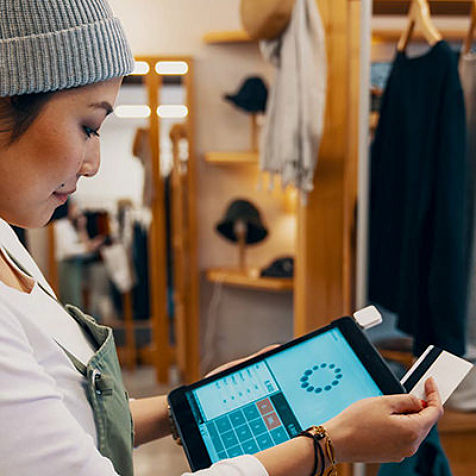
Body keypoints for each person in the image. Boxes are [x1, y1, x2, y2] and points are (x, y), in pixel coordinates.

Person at [0, 1, 443, 476]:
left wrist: (194, 402)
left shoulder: (8, 239)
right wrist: (326, 446)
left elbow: (71, 421)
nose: (94, 163)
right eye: (88, 126)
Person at [54, 200, 105, 309]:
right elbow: (68, 250)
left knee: (77, 298)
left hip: (75, 264)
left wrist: (82, 227)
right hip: (67, 264)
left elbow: (85, 244)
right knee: (71, 299)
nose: (78, 212)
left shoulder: (73, 226)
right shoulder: (62, 225)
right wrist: (87, 247)